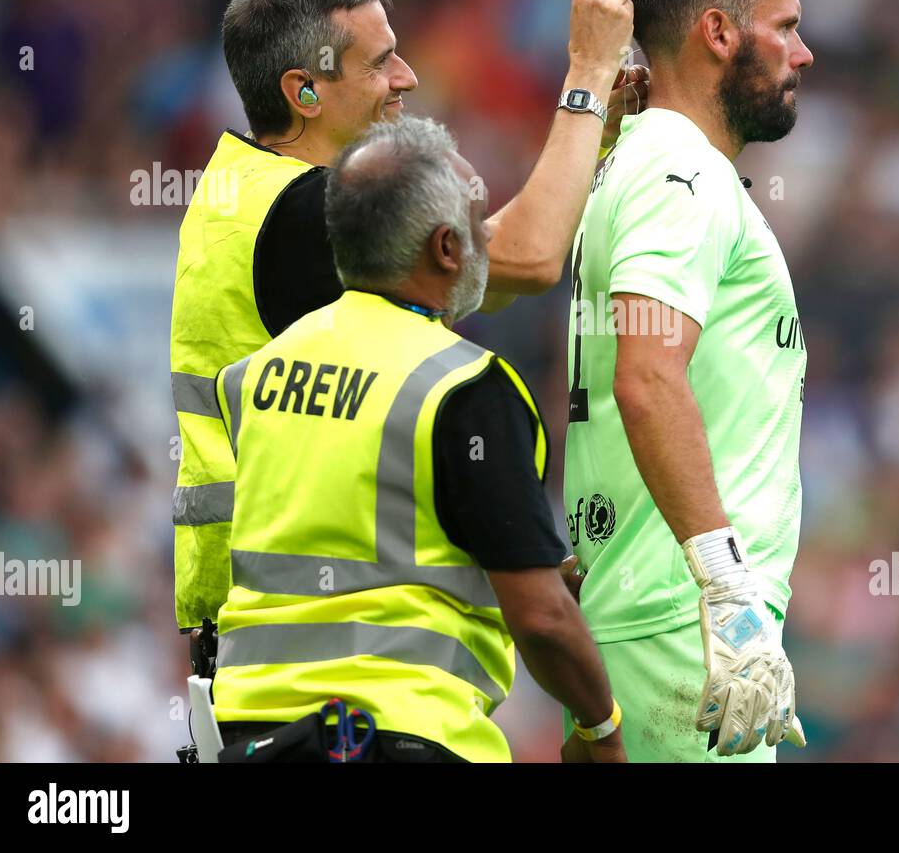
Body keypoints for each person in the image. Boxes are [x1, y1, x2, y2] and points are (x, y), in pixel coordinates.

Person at [171, 0, 640, 634]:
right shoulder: (304, 215)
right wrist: (588, 78)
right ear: (304, 91)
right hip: (297, 631)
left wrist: (592, 136)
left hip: (266, 615)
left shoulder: (247, 194)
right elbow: (532, 258)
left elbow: (484, 277)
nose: (407, 78)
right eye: (379, 63)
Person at [211, 116, 625, 763]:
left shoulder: (253, 373)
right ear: (446, 249)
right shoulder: (468, 387)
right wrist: (603, 728)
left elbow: (351, 532)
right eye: (479, 219)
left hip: (249, 735)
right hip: (400, 733)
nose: (491, 236)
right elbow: (542, 619)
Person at [562, 0, 813, 761]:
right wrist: (729, 597)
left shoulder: (635, 161)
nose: (802, 53)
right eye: (785, 29)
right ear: (718, 32)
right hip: (684, 628)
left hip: (651, 614)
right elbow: (646, 378)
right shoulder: (682, 171)